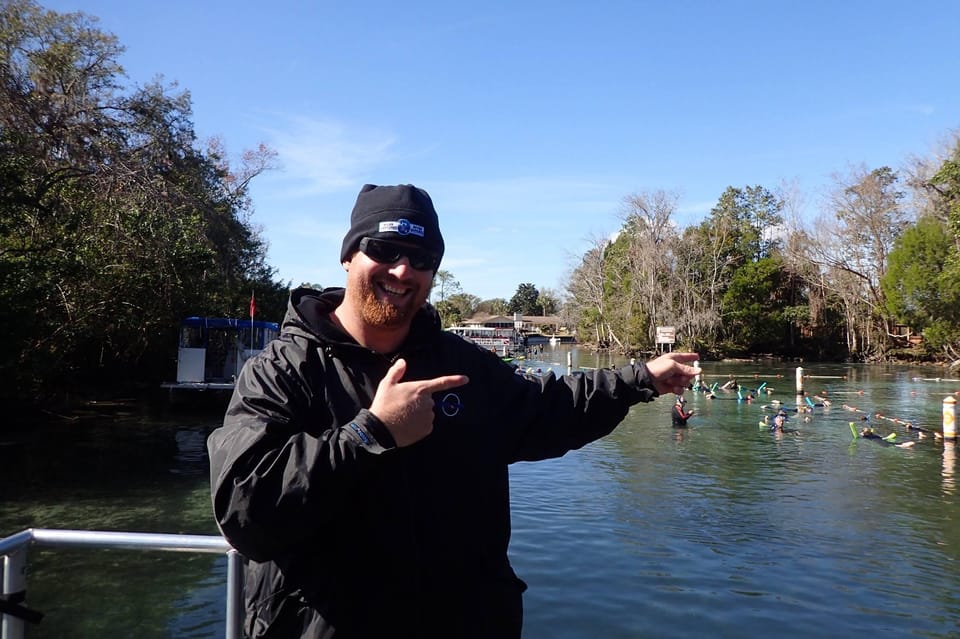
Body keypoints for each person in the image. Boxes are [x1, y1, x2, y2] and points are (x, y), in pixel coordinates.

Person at [206, 183, 700, 639]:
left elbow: (550, 408)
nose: (402, 270)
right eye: (383, 250)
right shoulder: (282, 369)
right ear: (348, 257)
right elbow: (245, 512)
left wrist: (642, 380)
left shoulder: (464, 367)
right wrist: (369, 433)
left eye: (420, 258)